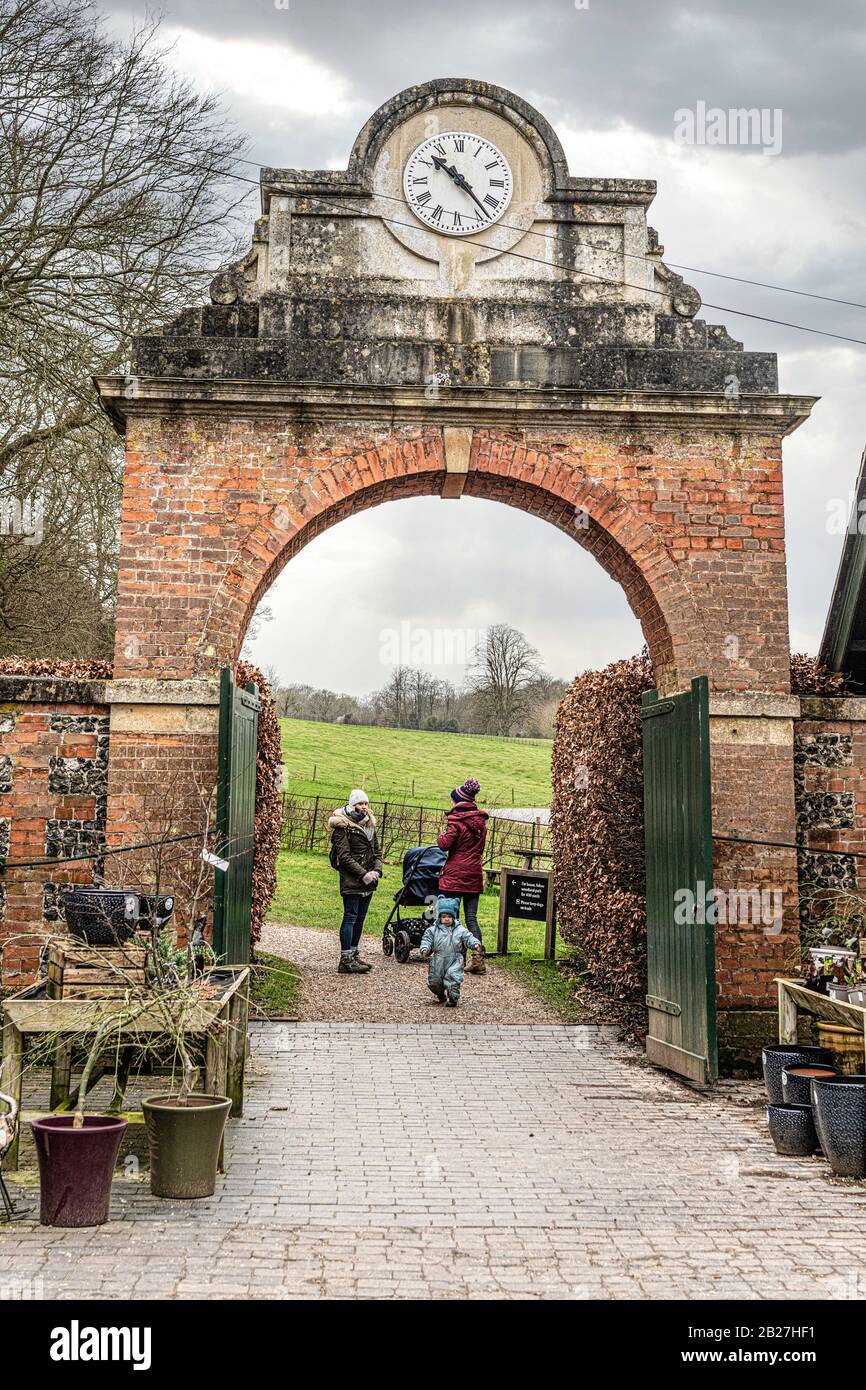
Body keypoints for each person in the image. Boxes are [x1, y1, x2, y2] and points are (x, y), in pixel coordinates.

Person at [328, 789, 382, 975]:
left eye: (366, 803)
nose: (364, 807)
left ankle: (354, 953)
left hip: (369, 879)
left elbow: (377, 851)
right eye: (360, 804)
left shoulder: (369, 824)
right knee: (350, 916)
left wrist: (376, 870)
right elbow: (344, 856)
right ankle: (345, 959)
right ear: (352, 805)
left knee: (360, 918)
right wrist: (363, 875)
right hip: (352, 879)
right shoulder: (341, 826)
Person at [437, 777, 488, 974]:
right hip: (474, 872)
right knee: (472, 918)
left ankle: (455, 959)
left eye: (452, 800)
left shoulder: (456, 822)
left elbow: (444, 845)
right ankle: (478, 960)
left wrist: (443, 833)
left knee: (452, 917)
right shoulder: (480, 822)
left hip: (455, 875)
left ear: (459, 801)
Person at [420, 895, 480, 1007]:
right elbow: (427, 939)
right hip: (438, 959)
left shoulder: (460, 930)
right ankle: (440, 994)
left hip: (455, 959)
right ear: (439, 917)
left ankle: (453, 999)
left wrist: (475, 944)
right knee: (434, 981)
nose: (446, 919)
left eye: (449, 916)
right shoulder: (433, 930)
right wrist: (425, 949)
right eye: (443, 916)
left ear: (454, 917)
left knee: (453, 978)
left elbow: (468, 937)